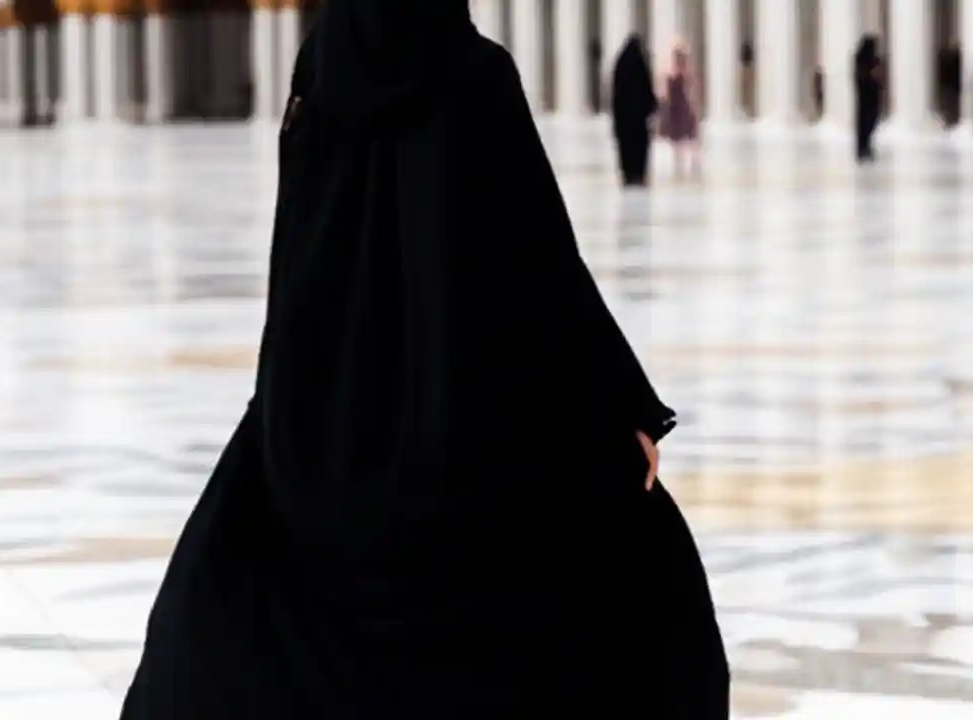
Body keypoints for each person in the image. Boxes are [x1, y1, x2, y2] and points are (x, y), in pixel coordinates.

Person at [119, 2, 729, 719]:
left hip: (328, 419)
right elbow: (537, 264)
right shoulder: (477, 75)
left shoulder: (322, 66)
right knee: (642, 586)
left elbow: (300, 250)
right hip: (461, 416)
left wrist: (286, 396)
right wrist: (618, 402)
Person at [611, 34, 658, 187]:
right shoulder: (641, 66)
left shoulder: (621, 65)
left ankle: (628, 174)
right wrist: (651, 107)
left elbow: (616, 94)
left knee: (625, 148)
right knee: (639, 148)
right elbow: (647, 90)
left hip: (623, 120)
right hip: (639, 120)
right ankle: (638, 174)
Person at [659, 41, 701, 179]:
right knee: (679, 138)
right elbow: (665, 93)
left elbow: (690, 92)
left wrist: (694, 107)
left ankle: (693, 163)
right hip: (675, 107)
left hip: (681, 107)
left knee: (689, 137)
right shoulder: (675, 72)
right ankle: (682, 164)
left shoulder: (684, 74)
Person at [853, 35, 884, 162]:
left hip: (871, 97)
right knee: (865, 124)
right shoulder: (862, 61)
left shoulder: (873, 60)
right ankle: (863, 149)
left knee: (869, 123)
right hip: (866, 98)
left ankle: (866, 147)